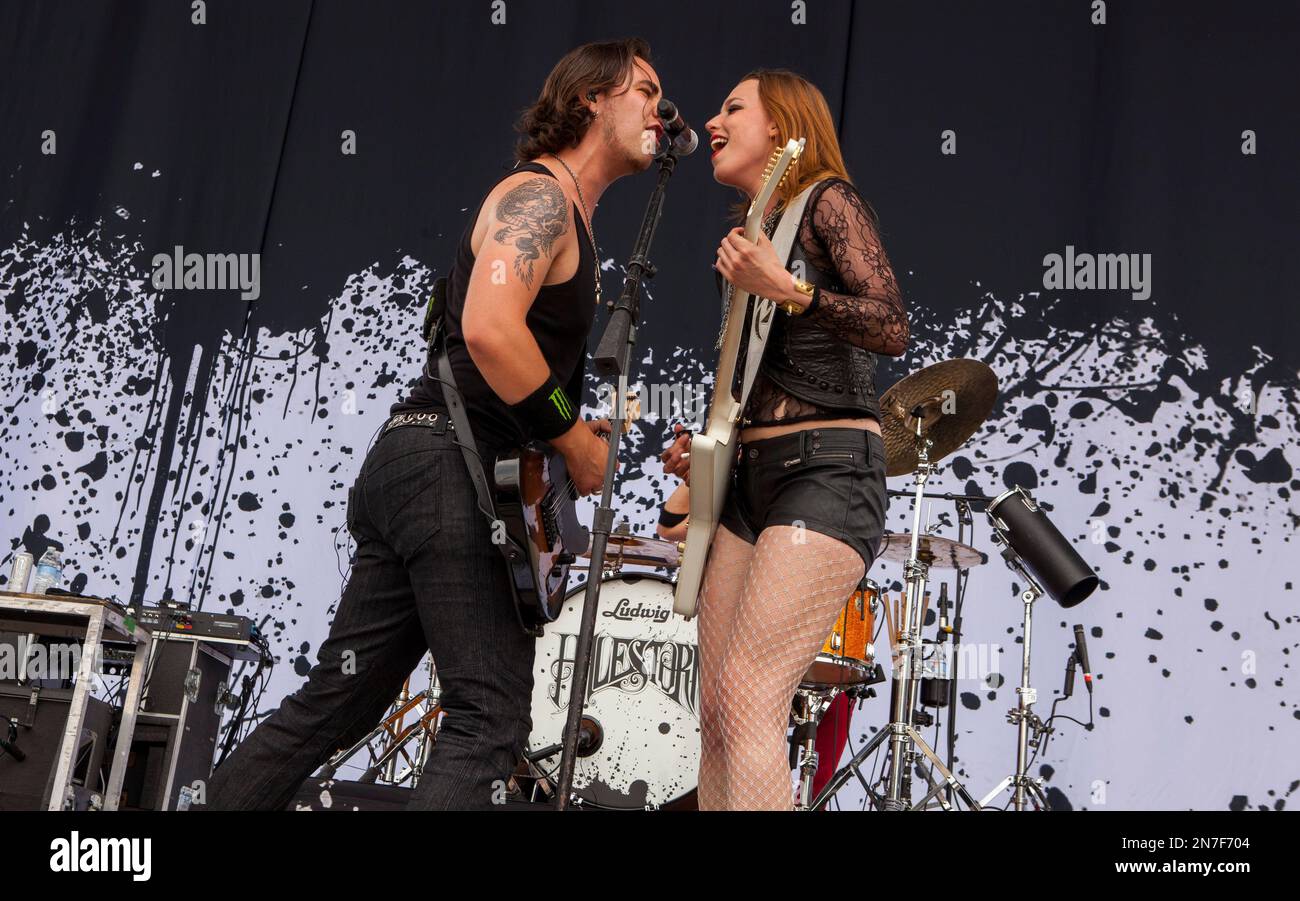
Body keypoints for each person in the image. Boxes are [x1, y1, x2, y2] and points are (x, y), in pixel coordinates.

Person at [206, 39, 665, 811]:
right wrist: (572, 439)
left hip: (422, 463)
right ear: (591, 96)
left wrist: (561, 432)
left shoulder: (565, 211)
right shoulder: (540, 197)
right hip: (453, 471)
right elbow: (489, 329)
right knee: (488, 719)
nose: (662, 112)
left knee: (339, 700)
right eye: (645, 91)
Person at [661, 69, 908, 810]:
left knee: (750, 693)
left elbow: (891, 324)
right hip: (747, 478)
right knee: (716, 710)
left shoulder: (829, 199)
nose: (711, 122)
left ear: (780, 125)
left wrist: (793, 288)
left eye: (732, 108)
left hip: (826, 470)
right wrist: (708, 447)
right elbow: (753, 374)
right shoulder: (750, 234)